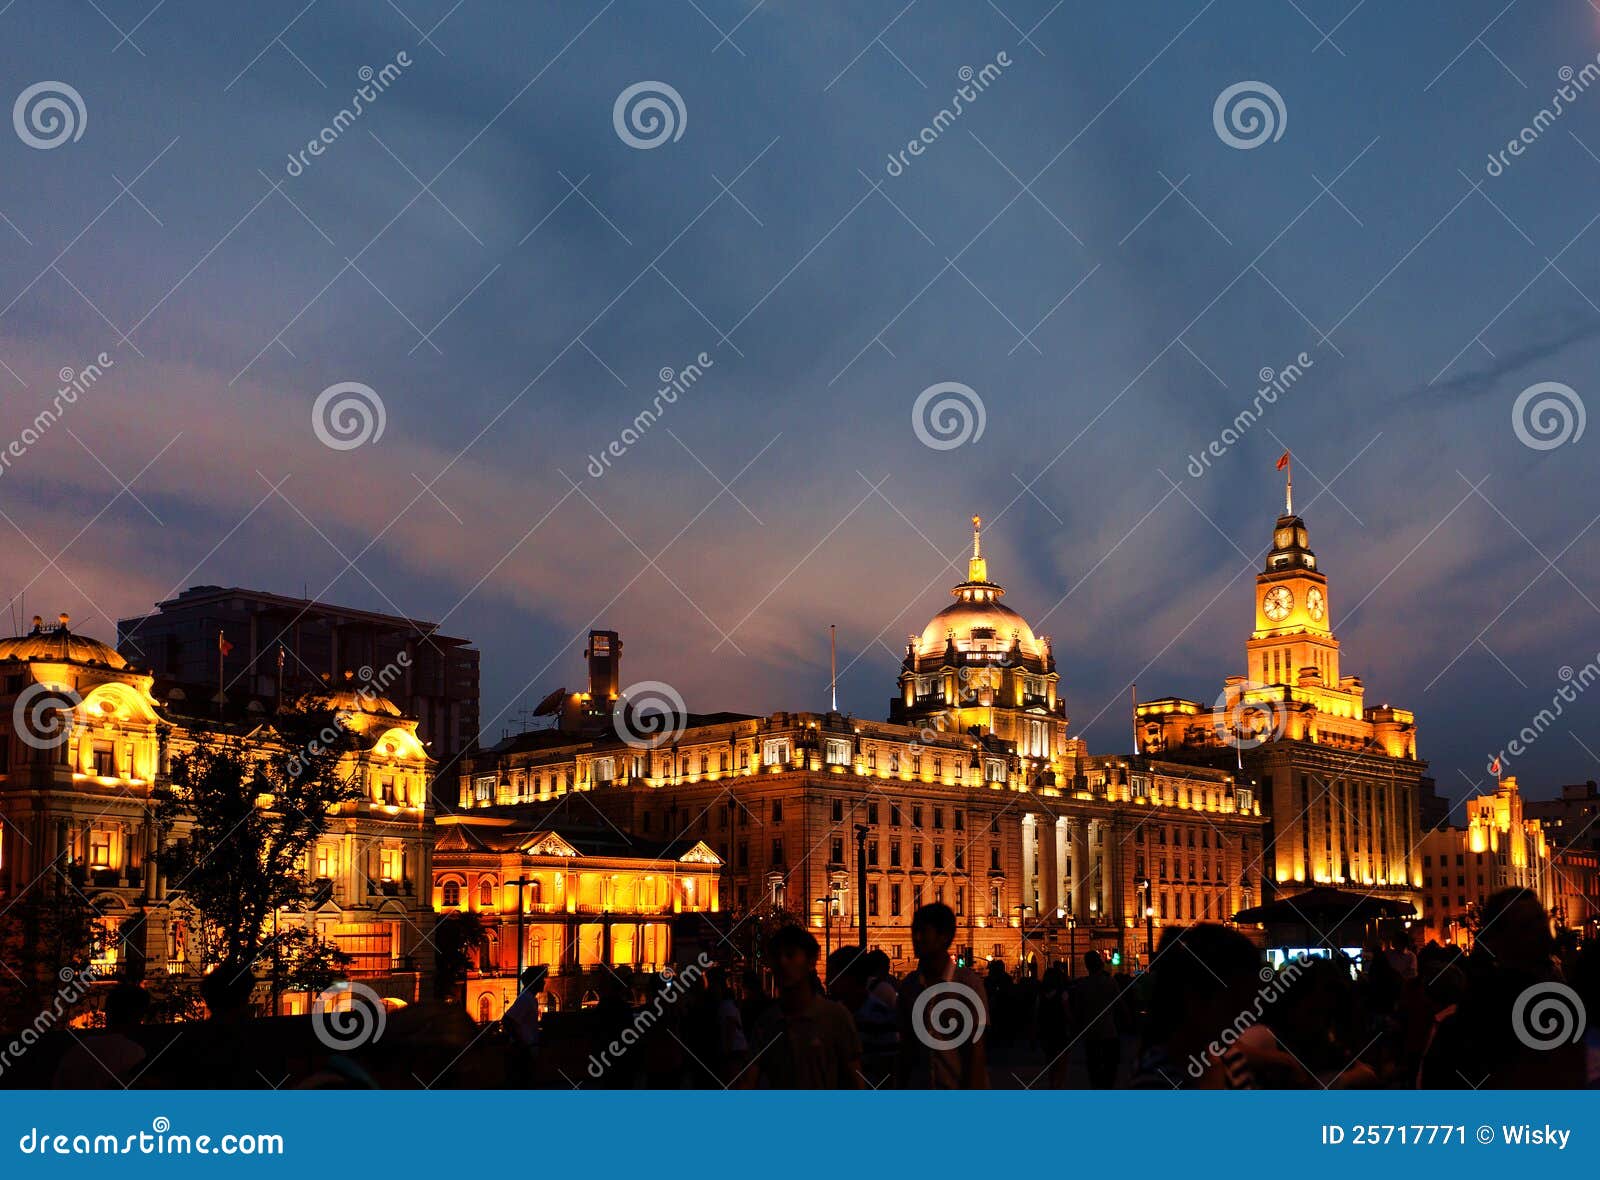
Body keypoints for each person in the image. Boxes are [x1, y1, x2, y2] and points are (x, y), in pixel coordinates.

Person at [1419, 888, 1583, 1088]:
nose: (1539, 931)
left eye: (1540, 920)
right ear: (1497, 939)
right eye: (1526, 925)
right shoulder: (1478, 1015)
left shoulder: (1564, 999)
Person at [1130, 924, 1264, 1089]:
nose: (1247, 1015)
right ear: (1195, 996)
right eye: (1236, 1002)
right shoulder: (1154, 1081)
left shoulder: (1231, 1057)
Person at [748, 925, 861, 1088]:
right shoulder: (766, 1024)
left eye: (790, 955)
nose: (782, 962)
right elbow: (749, 1080)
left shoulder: (835, 1017)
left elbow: (855, 1080)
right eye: (776, 956)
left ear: (810, 961)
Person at [896, 903, 989, 1088]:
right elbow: (905, 1050)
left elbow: (975, 1053)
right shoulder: (909, 986)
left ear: (944, 937)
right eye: (914, 931)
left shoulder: (968, 985)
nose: (916, 938)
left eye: (923, 932)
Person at [1078, 951, 1121, 1088]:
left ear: (1087, 966)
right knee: (1110, 1071)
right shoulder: (1110, 981)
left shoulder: (1083, 985)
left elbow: (1078, 1009)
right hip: (1109, 1032)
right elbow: (1121, 1005)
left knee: (1094, 1072)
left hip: (1091, 1034)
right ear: (1101, 964)